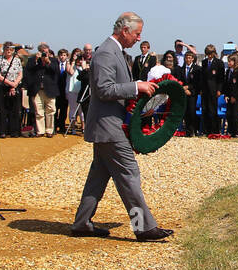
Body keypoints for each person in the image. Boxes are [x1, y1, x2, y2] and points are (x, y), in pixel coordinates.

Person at [71, 12, 173, 241]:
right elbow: (104, 89)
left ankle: (81, 223)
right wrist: (136, 87)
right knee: (129, 174)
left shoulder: (115, 51)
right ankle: (143, 227)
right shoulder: (107, 53)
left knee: (98, 177)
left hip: (108, 127)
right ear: (125, 30)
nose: (139, 39)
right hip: (109, 127)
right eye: (137, 34)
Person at [27, 42, 61, 137]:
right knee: (39, 111)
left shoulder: (53, 60)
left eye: (46, 52)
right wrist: (36, 60)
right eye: (42, 52)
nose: (44, 54)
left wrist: (48, 62)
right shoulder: (33, 60)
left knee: (51, 110)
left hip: (50, 90)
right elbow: (29, 70)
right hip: (37, 90)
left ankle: (49, 130)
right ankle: (40, 131)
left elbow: (56, 72)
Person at [0, 42, 24, 137]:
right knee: (3, 110)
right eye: (7, 49)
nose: (9, 51)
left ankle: (14, 131)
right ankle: (3, 131)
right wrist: (10, 84)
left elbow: (20, 73)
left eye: (11, 49)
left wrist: (14, 85)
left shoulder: (17, 60)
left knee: (15, 110)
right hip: (3, 87)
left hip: (15, 87)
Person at [198, 45, 223, 137]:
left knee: (213, 110)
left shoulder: (219, 63)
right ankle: (206, 130)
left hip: (214, 89)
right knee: (205, 109)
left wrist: (219, 90)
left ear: (214, 53)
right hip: (205, 90)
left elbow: (221, 78)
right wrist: (201, 89)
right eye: (207, 54)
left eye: (210, 54)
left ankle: (215, 130)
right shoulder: (204, 62)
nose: (209, 56)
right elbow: (202, 77)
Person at [179, 50, 199, 136]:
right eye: (186, 57)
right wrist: (184, 89)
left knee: (192, 112)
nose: (188, 59)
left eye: (189, 58)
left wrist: (188, 88)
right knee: (186, 112)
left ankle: (193, 130)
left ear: (192, 59)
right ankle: (187, 130)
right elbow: (179, 80)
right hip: (183, 93)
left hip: (192, 93)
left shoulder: (197, 69)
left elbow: (197, 82)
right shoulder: (180, 69)